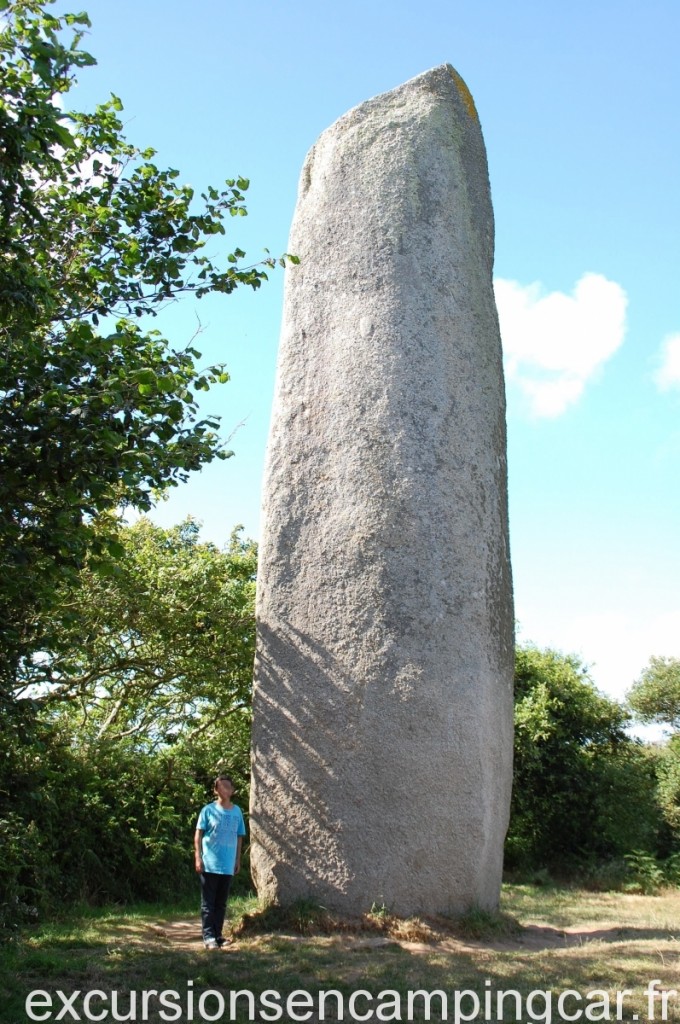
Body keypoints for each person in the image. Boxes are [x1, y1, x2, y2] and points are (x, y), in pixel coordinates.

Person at [194, 773, 246, 949]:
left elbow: (240, 837)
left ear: (232, 790)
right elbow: (198, 834)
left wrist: (238, 859)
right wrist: (197, 857)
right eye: (221, 786)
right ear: (216, 789)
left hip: (227, 864)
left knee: (221, 903)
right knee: (208, 902)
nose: (225, 789)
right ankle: (208, 937)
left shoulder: (237, 811)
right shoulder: (208, 810)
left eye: (228, 786)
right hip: (209, 863)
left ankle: (217, 935)